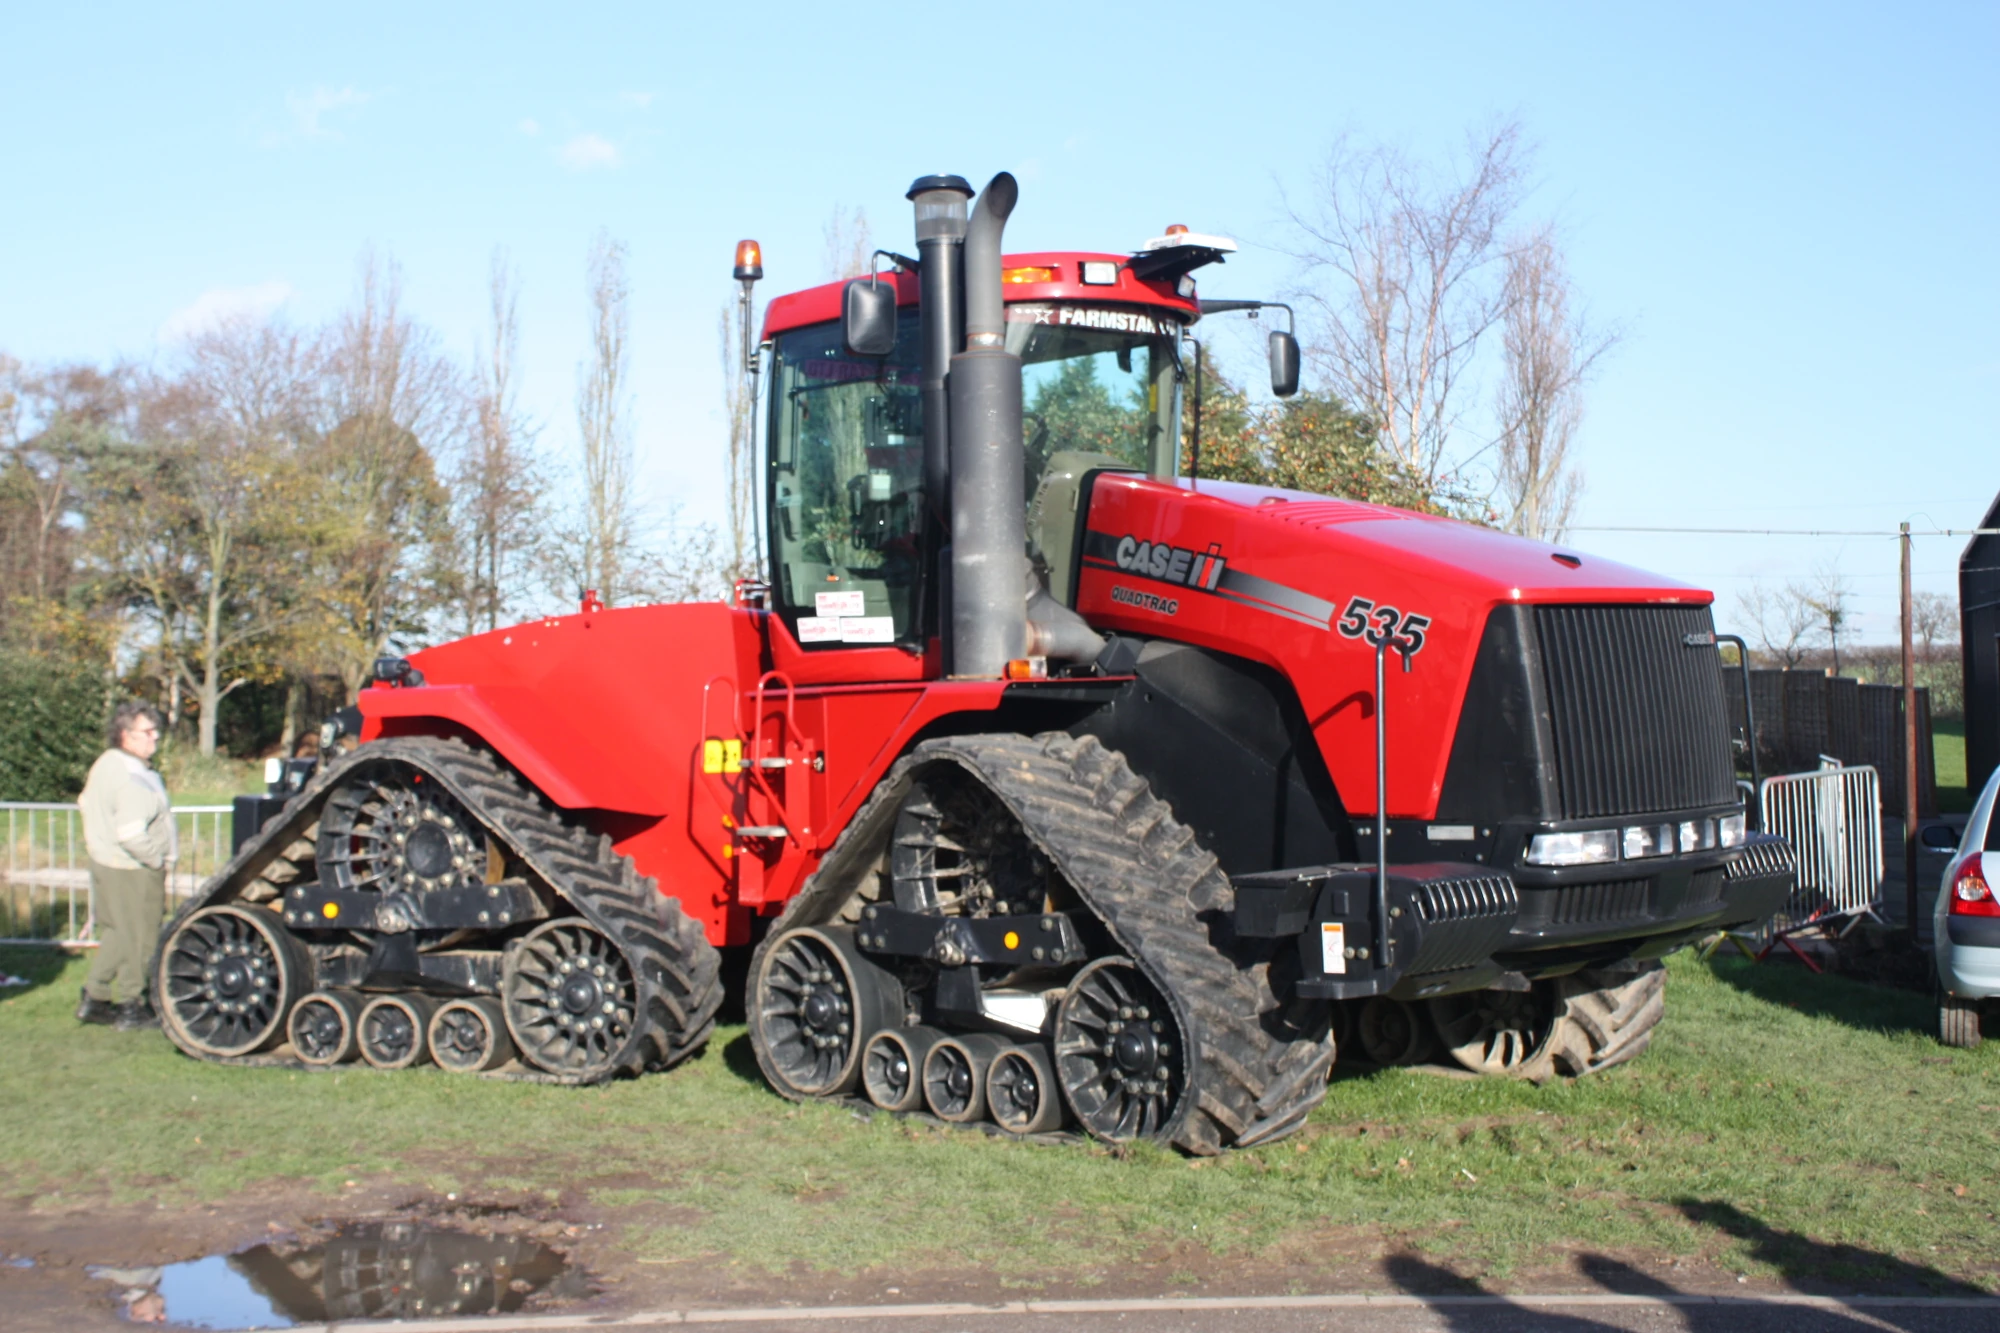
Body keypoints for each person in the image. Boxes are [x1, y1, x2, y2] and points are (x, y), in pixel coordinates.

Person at [76, 702, 175, 1031]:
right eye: (147, 732)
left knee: (117, 934)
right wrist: (157, 859)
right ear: (125, 735)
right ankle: (134, 1006)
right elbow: (131, 833)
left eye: (155, 731)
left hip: (105, 862)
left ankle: (95, 997)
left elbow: (84, 803)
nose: (155, 737)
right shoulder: (133, 775)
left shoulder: (105, 764)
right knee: (141, 939)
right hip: (134, 869)